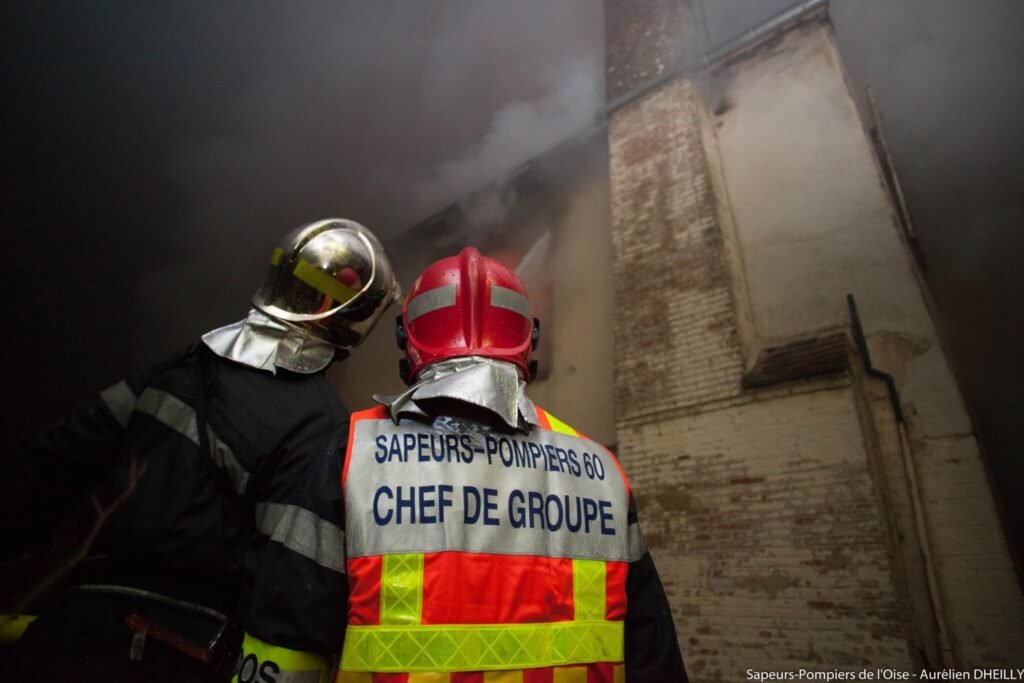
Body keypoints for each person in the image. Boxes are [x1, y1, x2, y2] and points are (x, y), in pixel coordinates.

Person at [0, 218, 400, 682]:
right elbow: (291, 585)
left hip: (68, 629)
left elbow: (45, 465)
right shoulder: (319, 423)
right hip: (180, 652)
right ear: (352, 316)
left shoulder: (179, 367)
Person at [336, 247, 687, 682]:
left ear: (408, 343)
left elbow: (293, 632)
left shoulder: (352, 452)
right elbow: (652, 653)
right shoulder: (599, 470)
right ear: (528, 342)